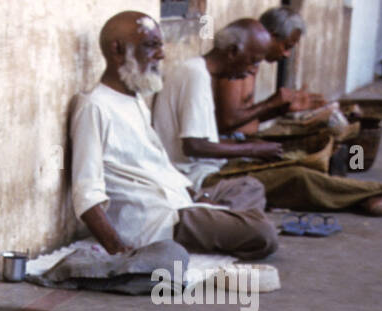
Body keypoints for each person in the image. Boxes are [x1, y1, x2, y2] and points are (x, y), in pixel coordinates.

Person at [70, 11, 278, 260]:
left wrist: (195, 197)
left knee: (251, 187)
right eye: (150, 46)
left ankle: (217, 218)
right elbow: (86, 193)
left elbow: (158, 164)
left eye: (160, 45)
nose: (161, 54)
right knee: (263, 233)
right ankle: (218, 222)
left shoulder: (133, 99)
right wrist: (118, 250)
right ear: (117, 50)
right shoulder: (94, 106)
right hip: (159, 219)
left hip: (180, 202)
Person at [155, 20, 382, 215]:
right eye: (253, 62)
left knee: (297, 172)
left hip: (210, 169)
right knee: (298, 177)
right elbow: (194, 145)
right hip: (199, 179)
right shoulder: (195, 75)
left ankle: (377, 197)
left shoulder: (197, 72)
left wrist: (251, 147)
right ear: (232, 52)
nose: (252, 70)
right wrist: (253, 149)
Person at [213, 7, 322, 137]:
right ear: (271, 35)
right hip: (228, 147)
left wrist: (281, 109)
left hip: (242, 141)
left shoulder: (251, 64)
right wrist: (270, 103)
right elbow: (227, 122)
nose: (287, 54)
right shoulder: (238, 67)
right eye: (286, 47)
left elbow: (245, 119)